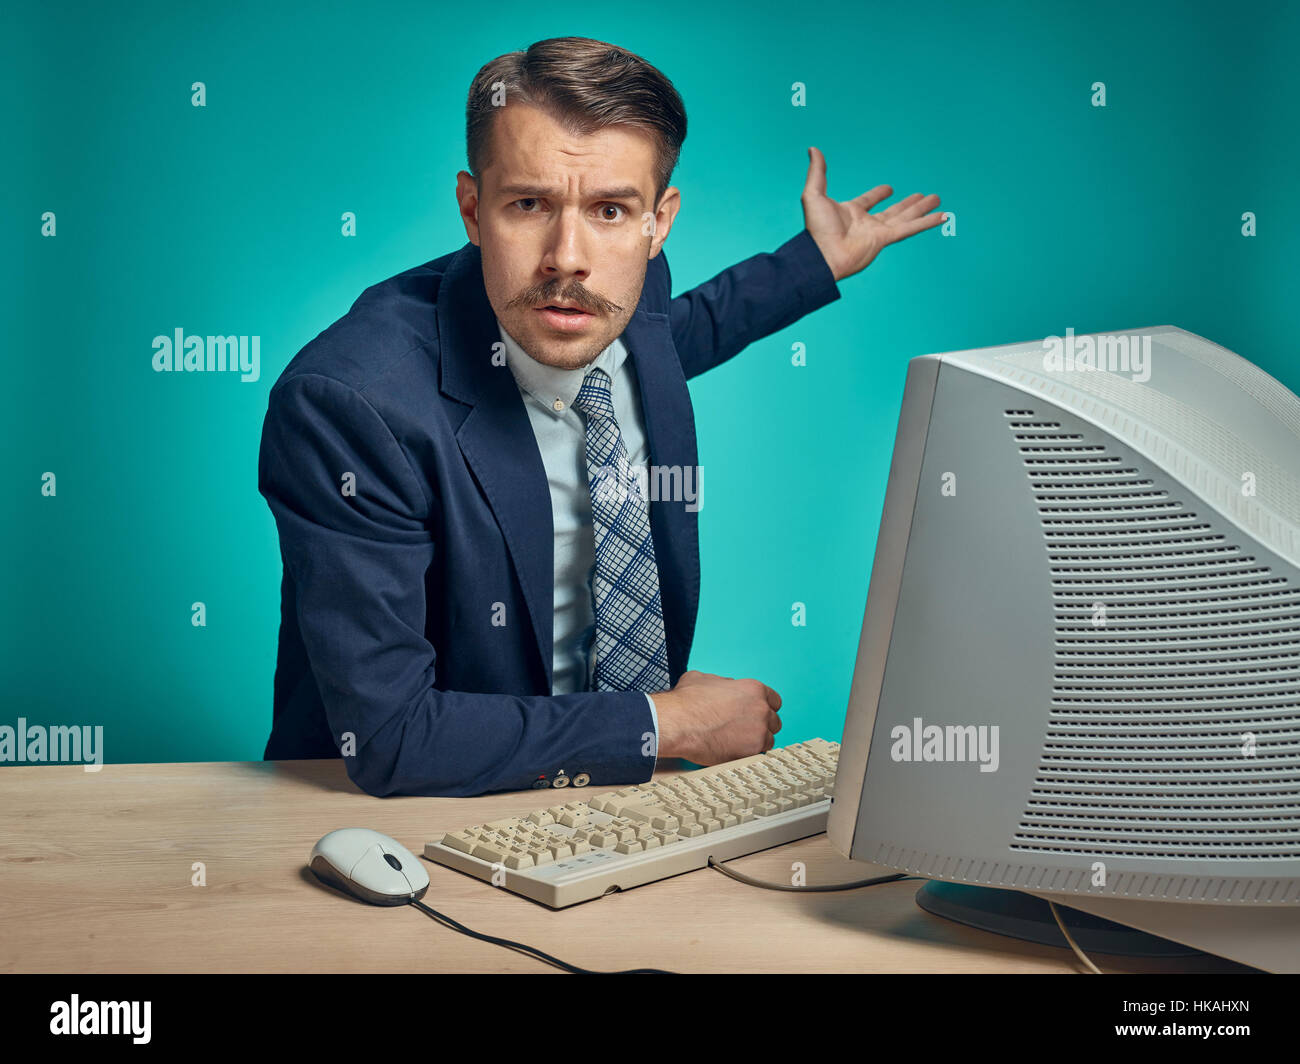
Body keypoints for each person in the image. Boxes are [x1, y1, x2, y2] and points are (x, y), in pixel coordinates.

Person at [258, 36, 944, 796]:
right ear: (472, 209)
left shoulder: (625, 287)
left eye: (612, 210)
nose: (568, 259)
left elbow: (671, 336)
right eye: (529, 204)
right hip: (409, 814)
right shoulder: (351, 407)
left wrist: (812, 263)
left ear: (658, 224)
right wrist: (668, 725)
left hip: (618, 805)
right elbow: (392, 739)